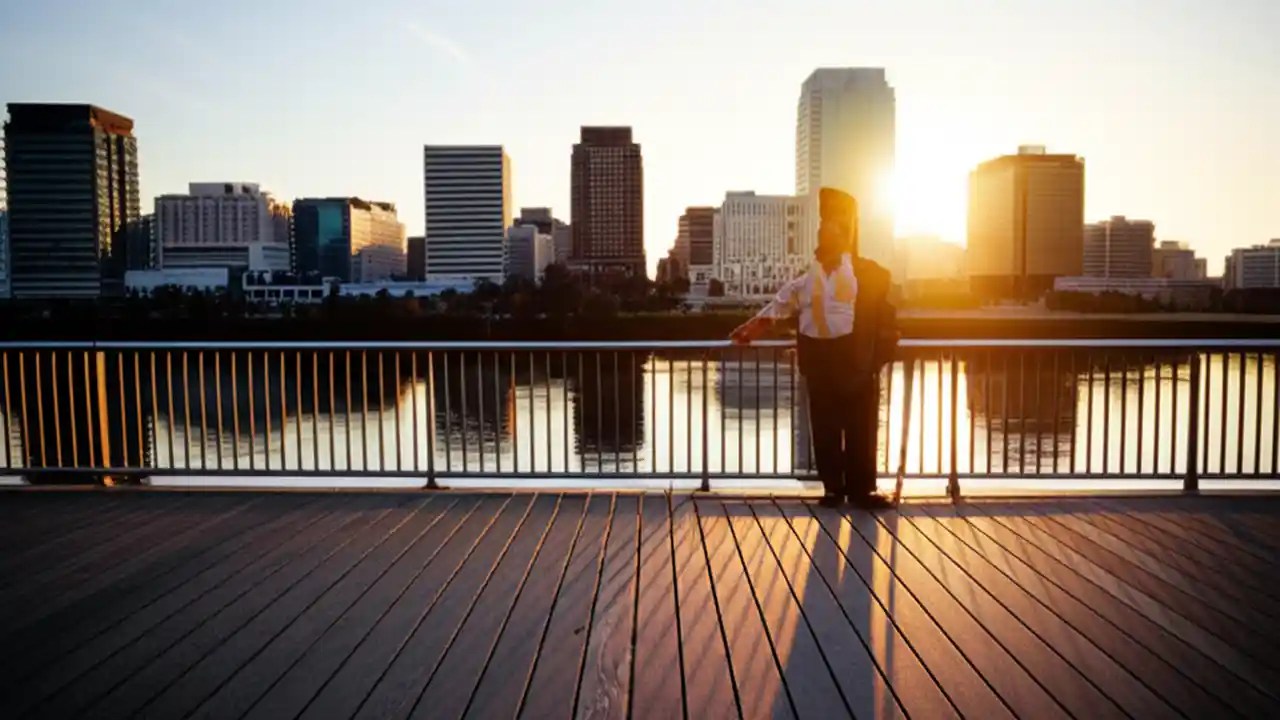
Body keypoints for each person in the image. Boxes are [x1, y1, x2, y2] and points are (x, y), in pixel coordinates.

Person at [730, 187, 897, 508]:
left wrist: (878, 355)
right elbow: (777, 308)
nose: (825, 235)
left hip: (856, 360)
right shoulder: (806, 281)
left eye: (833, 230)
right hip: (820, 362)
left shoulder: (867, 275)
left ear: (845, 237)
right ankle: (833, 489)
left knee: (861, 425)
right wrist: (748, 330)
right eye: (822, 231)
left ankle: (862, 490)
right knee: (824, 425)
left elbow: (884, 316)